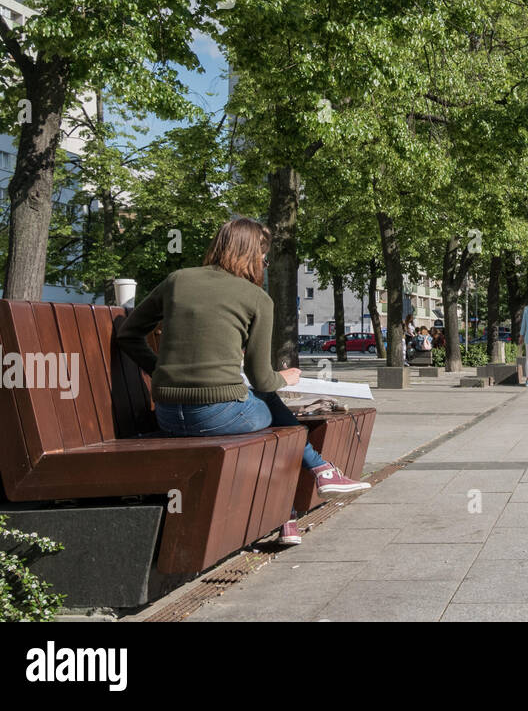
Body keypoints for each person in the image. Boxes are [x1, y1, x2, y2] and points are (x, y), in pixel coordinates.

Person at [113, 218, 370, 548]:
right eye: (264, 255)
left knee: (267, 415)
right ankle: (317, 475)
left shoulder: (178, 280)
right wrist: (286, 377)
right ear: (253, 254)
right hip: (215, 417)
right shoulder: (257, 298)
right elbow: (263, 379)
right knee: (275, 415)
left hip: (168, 414)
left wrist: (160, 369)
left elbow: (127, 334)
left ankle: (292, 510)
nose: (264, 262)